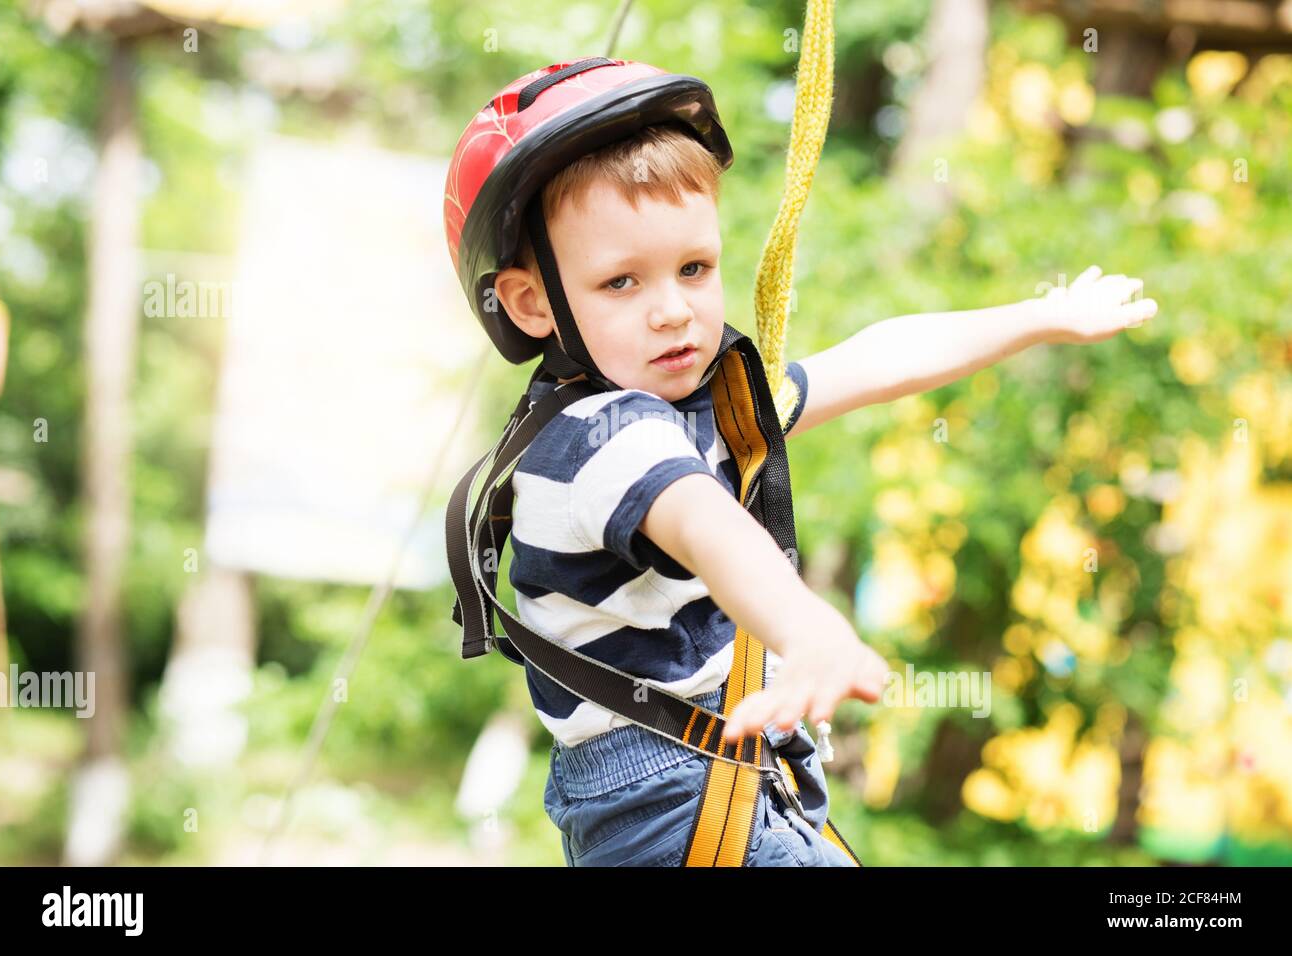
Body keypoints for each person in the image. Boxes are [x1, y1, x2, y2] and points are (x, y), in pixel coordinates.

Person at [443, 58, 1157, 867]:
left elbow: (875, 359)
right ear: (534, 302)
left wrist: (1038, 315)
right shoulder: (603, 439)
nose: (674, 309)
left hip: (723, 773)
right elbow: (708, 527)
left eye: (694, 269)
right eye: (620, 282)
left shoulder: (702, 408)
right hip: (668, 800)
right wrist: (809, 629)